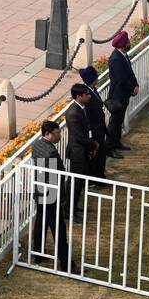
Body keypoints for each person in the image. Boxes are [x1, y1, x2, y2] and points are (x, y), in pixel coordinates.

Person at [29, 119, 72, 271]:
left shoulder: (37, 145)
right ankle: (66, 262)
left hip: (40, 189)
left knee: (41, 222)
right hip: (51, 193)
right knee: (58, 227)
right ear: (48, 134)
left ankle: (39, 254)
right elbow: (60, 173)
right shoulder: (51, 152)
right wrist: (63, 195)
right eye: (57, 133)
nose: (59, 135)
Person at [64, 84, 103, 219]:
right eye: (86, 94)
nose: (89, 96)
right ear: (79, 97)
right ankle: (69, 210)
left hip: (83, 150)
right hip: (77, 152)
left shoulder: (81, 108)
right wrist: (93, 144)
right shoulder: (73, 112)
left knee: (79, 182)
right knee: (75, 182)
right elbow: (78, 136)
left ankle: (73, 205)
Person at [106, 31, 137, 150]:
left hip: (124, 95)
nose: (129, 43)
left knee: (118, 122)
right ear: (123, 44)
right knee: (114, 123)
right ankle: (109, 147)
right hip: (117, 97)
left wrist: (136, 84)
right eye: (127, 41)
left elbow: (130, 72)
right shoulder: (116, 59)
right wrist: (132, 88)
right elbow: (121, 79)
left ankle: (116, 143)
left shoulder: (123, 55)